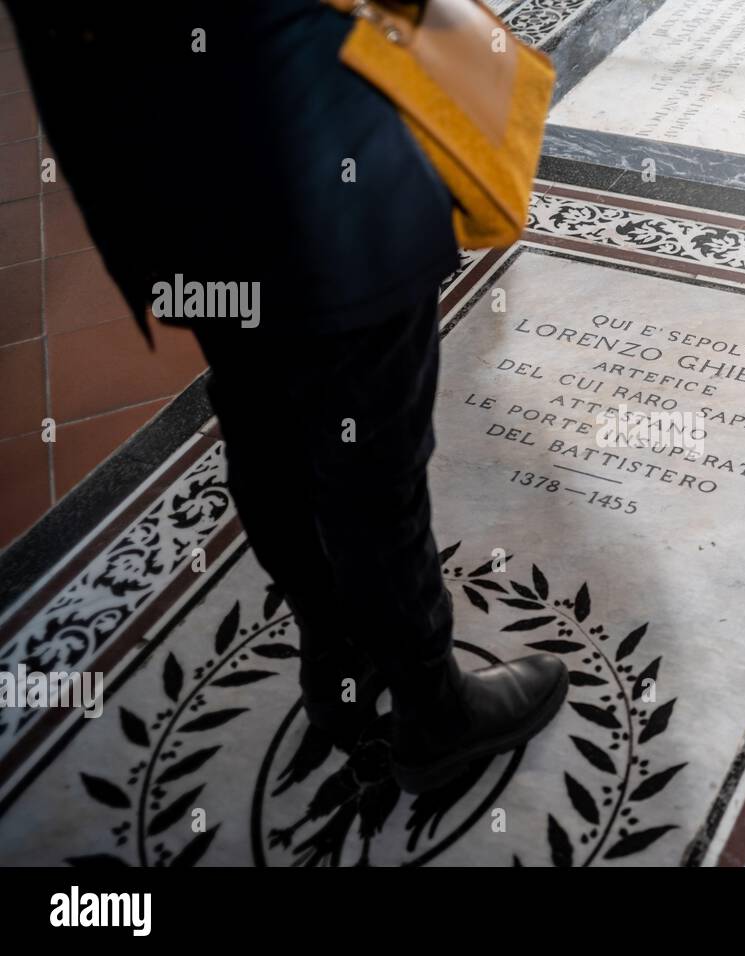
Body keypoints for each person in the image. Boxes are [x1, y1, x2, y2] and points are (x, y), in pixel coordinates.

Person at [6, 0, 568, 793]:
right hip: (318, 152)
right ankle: (434, 711)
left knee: (262, 420)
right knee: (371, 464)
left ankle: (338, 658)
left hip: (169, 159)